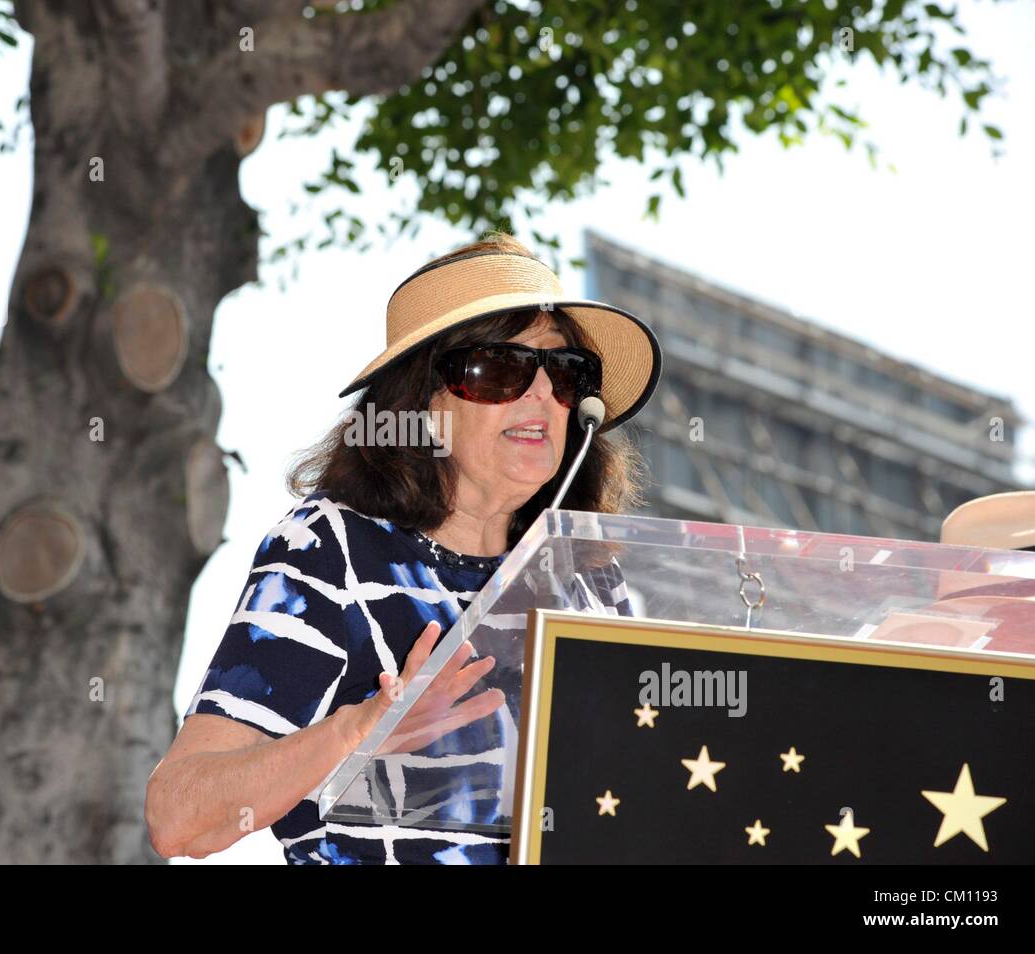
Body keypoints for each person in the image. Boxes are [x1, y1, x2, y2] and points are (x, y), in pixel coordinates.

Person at [144, 232, 661, 864]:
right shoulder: (332, 547)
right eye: (499, 369)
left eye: (564, 372)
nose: (539, 396)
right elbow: (178, 817)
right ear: (421, 401)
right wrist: (358, 728)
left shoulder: (592, 585)